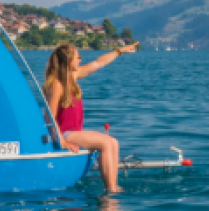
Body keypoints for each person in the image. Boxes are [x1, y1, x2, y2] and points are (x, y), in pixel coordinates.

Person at [43, 42, 139, 193]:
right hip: (65, 133)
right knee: (106, 145)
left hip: (74, 132)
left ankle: (114, 186)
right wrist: (62, 142)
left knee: (113, 142)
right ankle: (110, 194)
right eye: (78, 57)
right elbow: (49, 116)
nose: (80, 60)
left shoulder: (72, 77)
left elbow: (97, 63)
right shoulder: (57, 84)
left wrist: (119, 51)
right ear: (68, 61)